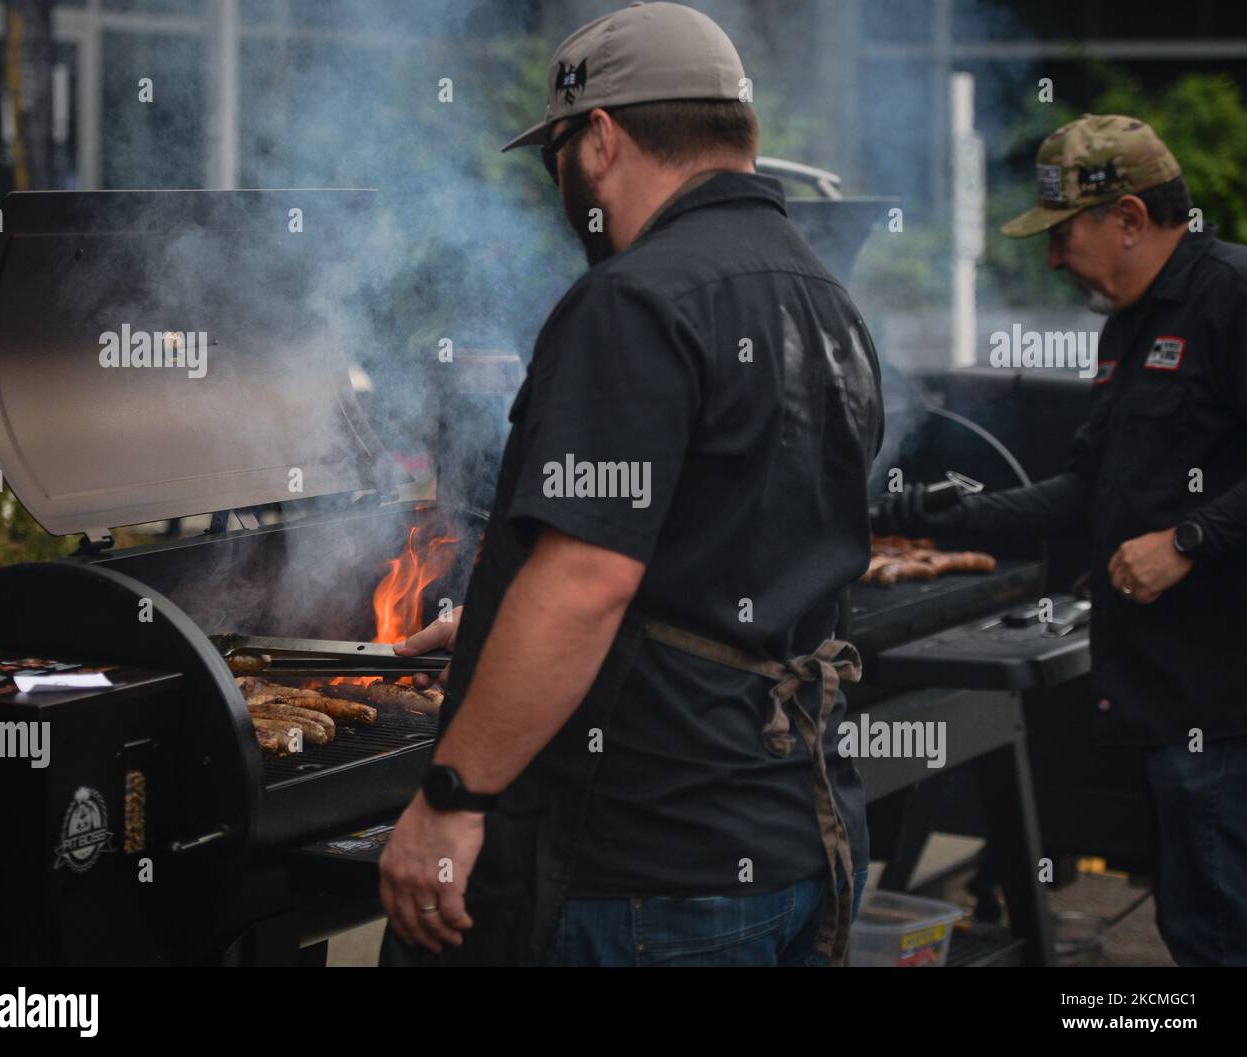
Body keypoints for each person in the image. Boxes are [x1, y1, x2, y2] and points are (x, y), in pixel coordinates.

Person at [378, 1, 883, 967]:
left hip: (649, 869)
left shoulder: (634, 300)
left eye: (554, 154)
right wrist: (487, 636)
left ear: (599, 138)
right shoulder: (825, 296)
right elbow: (714, 544)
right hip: (795, 839)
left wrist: (450, 801)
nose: (558, 183)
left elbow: (586, 586)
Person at [876, 113, 1247, 966]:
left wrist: (1188, 538)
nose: (1049, 260)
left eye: (1061, 235)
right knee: (1195, 929)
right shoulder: (1129, 324)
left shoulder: (1231, 296)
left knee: (1221, 936)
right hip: (1163, 700)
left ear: (1127, 217)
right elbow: (1089, 489)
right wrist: (947, 519)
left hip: (1226, 711)